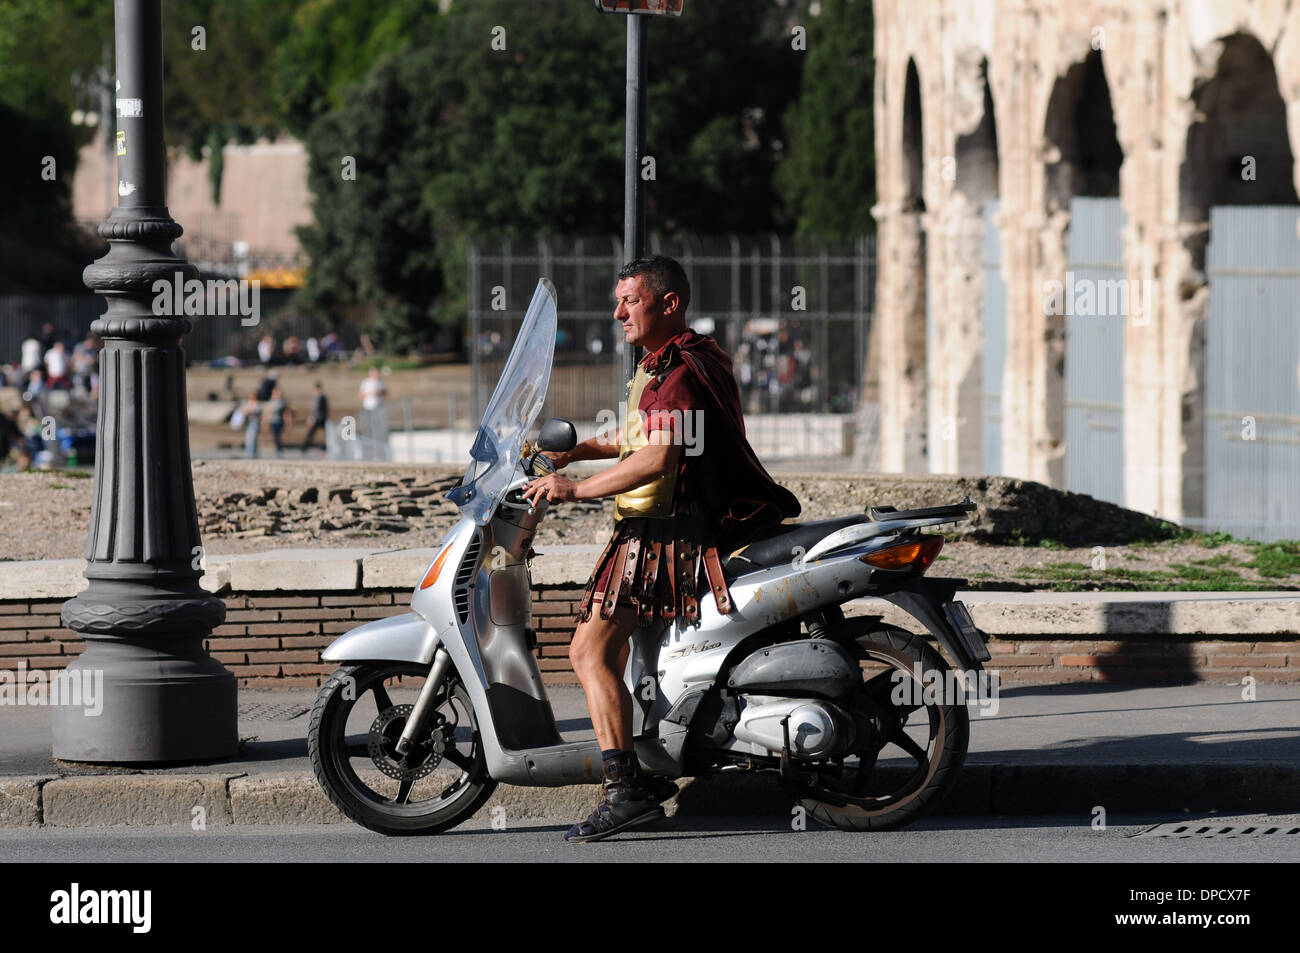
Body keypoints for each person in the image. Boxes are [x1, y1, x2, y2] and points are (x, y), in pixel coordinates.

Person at [521, 255, 799, 843]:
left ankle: (624, 791)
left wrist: (573, 489)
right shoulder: (684, 359)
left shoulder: (677, 372)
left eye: (630, 300)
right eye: (617, 299)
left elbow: (658, 456)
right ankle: (642, 766)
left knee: (587, 652)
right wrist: (579, 451)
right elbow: (640, 437)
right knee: (610, 653)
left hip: (664, 536)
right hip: (663, 528)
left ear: (668, 304)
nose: (617, 310)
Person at [301, 381, 329, 452]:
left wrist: (311, 418)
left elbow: (316, 409)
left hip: (320, 418)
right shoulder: (319, 397)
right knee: (311, 433)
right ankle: (305, 447)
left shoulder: (321, 397)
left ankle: (305, 447)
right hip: (319, 418)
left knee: (324, 433)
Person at [267, 386, 292, 456]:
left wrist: (288, 422)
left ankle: (279, 449)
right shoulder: (272, 401)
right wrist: (266, 421)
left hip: (279, 421)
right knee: (275, 436)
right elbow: (268, 411)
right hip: (272, 421)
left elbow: (286, 413)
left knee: (277, 436)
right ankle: (278, 448)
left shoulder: (282, 402)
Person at [239, 391, 263, 458]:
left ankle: (251, 453)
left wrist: (248, 411)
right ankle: (250, 452)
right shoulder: (247, 403)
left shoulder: (258, 404)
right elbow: (242, 411)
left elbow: (254, 411)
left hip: (254, 423)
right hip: (248, 423)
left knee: (252, 438)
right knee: (248, 438)